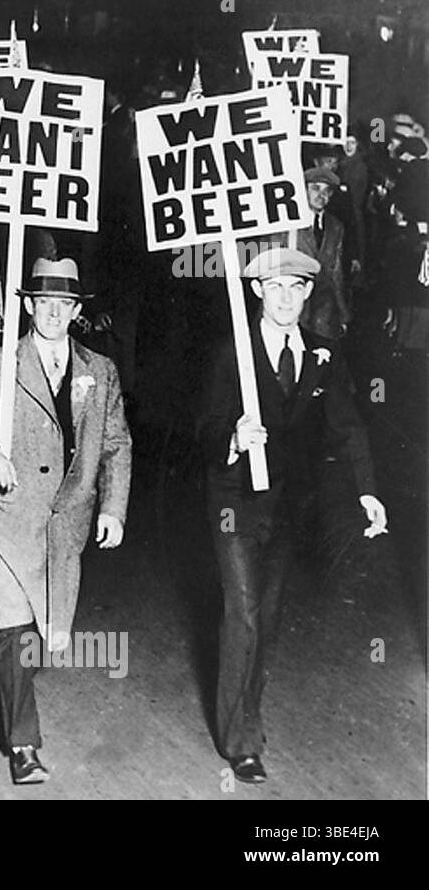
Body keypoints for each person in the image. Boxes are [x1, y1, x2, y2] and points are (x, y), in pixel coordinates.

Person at [197, 247, 386, 784]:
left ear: (307, 294)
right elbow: (204, 426)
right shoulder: (231, 351)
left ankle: (249, 714)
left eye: (295, 288)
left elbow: (348, 426)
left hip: (288, 506)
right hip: (234, 501)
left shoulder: (324, 354)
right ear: (258, 291)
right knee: (244, 612)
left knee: (269, 617)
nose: (285, 298)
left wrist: (367, 492)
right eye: (275, 287)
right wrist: (233, 438)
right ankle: (240, 742)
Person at [0, 257, 132, 785]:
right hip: (6, 517)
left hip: (65, 524)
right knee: (12, 627)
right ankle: (23, 745)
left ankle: (23, 713)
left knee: (46, 634)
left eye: (63, 304)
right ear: (27, 306)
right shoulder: (1, 362)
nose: (53, 313)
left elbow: (116, 444)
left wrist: (113, 508)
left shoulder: (100, 371)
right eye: (44, 302)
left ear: (76, 311)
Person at [295, 166, 349, 340]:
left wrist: (343, 314)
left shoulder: (336, 226)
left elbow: (336, 273)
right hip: (292, 306)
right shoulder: (289, 224)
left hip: (323, 311)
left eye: (327, 191)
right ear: (304, 190)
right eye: (315, 188)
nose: (321, 195)